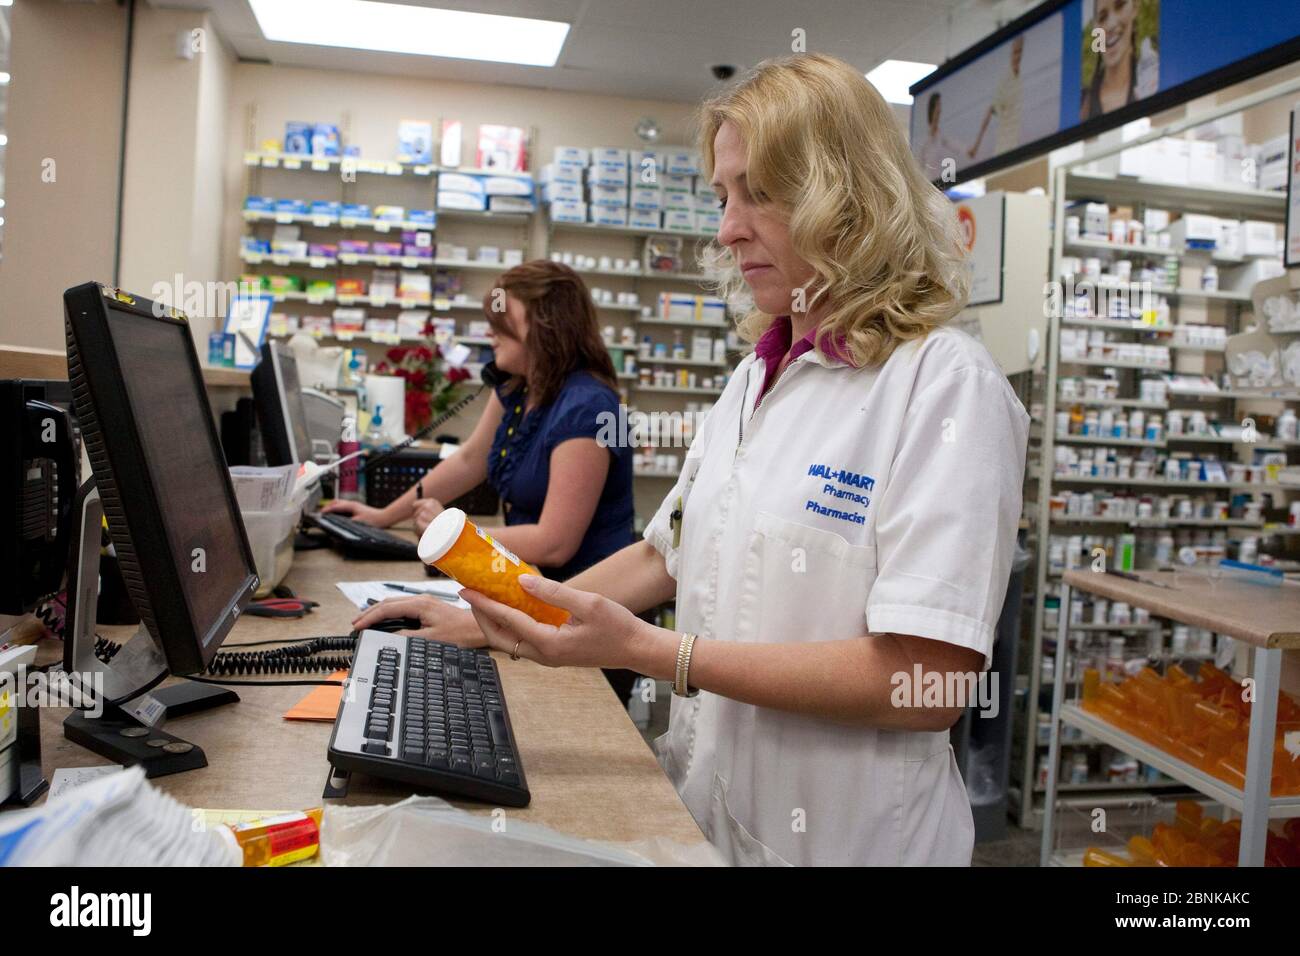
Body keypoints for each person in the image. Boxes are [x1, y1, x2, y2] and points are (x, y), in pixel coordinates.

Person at [355, 54, 1028, 866]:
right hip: (708, 818)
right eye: (722, 197)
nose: (727, 229)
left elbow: (928, 682)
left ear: (850, 199)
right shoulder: (754, 380)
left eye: (760, 193)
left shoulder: (945, 387)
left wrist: (656, 653)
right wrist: (493, 622)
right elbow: (661, 555)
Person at [329, 260, 639, 697]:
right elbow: (469, 460)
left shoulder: (590, 407)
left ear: (546, 324)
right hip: (531, 599)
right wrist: (381, 517)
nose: (490, 332)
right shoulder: (519, 388)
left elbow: (555, 542)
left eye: (501, 319)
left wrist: (455, 541)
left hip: (584, 619)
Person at [1080, 0, 1159, 120]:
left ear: (1134, 7)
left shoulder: (1152, 80)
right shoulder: (1082, 103)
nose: (1111, 24)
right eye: (1102, 17)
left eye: (1120, 6)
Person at [970, 35, 1024, 159]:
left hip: (1015, 143)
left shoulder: (1019, 77)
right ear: (1011, 53)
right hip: (1004, 146)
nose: (1017, 56)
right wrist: (976, 146)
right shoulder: (1004, 81)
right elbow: (989, 112)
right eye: (1015, 52)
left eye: (1020, 51)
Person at [918, 92, 968, 181]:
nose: (940, 109)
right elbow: (919, 165)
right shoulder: (923, 140)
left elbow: (959, 148)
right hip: (928, 183)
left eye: (940, 105)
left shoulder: (942, 138)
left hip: (941, 182)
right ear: (933, 109)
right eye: (938, 105)